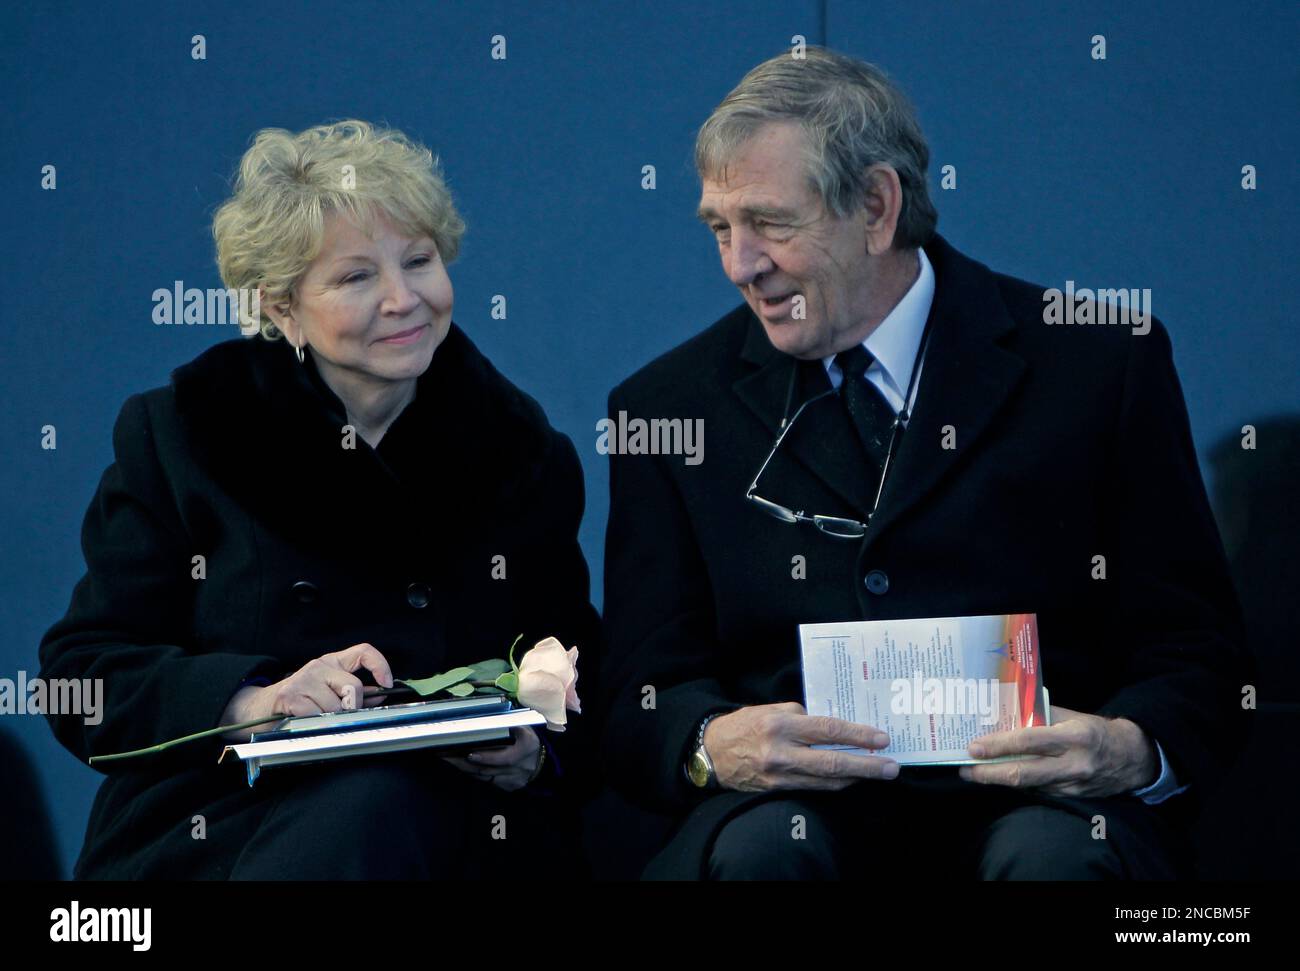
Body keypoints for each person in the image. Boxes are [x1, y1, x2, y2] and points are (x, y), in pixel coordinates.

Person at [598, 48, 1252, 880]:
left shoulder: (1099, 363)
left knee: (1052, 859)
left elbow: (1198, 653)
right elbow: (638, 691)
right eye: (720, 227)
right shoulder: (667, 406)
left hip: (1043, 814)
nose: (740, 264)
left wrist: (1129, 747)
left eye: (771, 222)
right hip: (788, 822)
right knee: (764, 852)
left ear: (876, 205)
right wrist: (706, 743)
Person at [39, 119, 600, 880]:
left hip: (457, 829)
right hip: (227, 823)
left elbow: (582, 666)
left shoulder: (522, 452)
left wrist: (532, 751)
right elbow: (84, 679)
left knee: (386, 808)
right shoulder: (184, 434)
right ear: (281, 309)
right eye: (356, 277)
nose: (404, 300)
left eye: (420, 261)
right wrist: (253, 699)